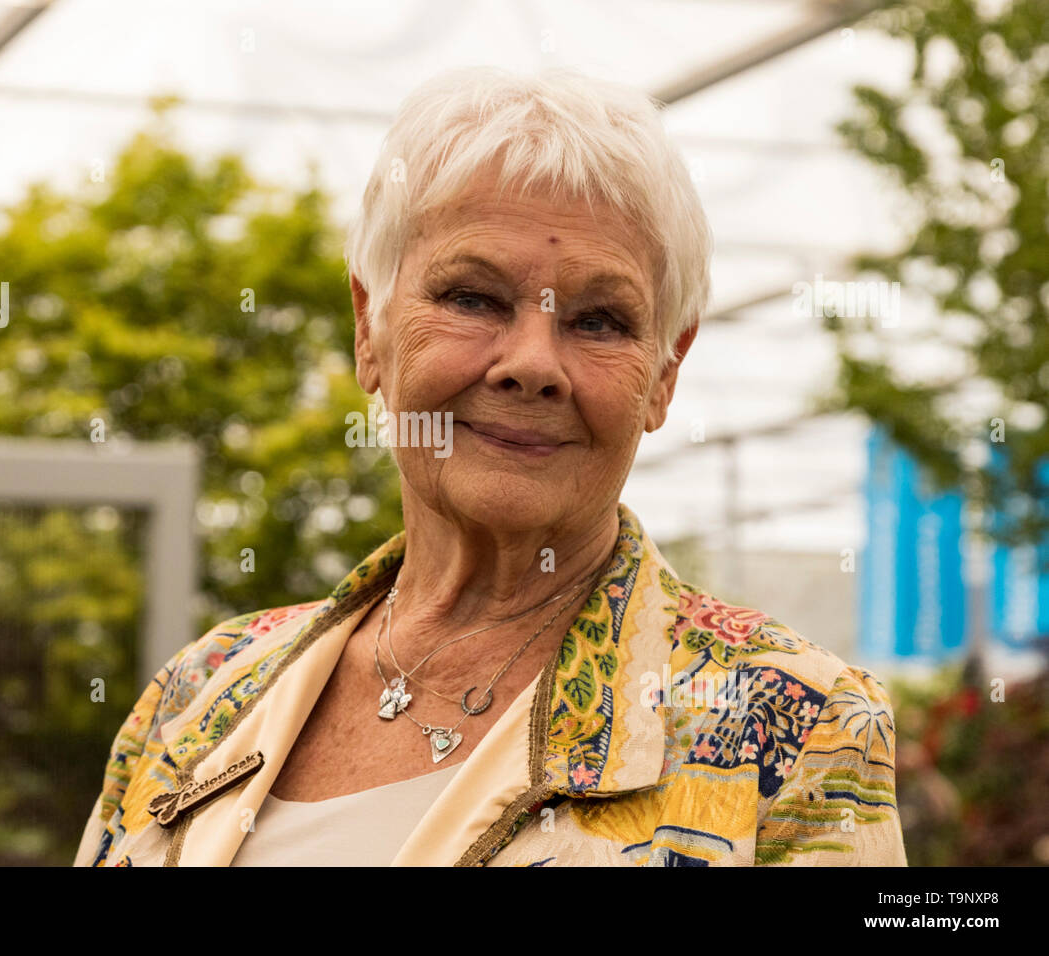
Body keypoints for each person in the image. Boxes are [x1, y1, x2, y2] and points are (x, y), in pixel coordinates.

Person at [74, 66, 908, 867]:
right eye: (474, 298)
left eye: (600, 320)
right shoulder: (199, 693)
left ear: (664, 374)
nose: (532, 364)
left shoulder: (792, 724)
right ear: (370, 328)